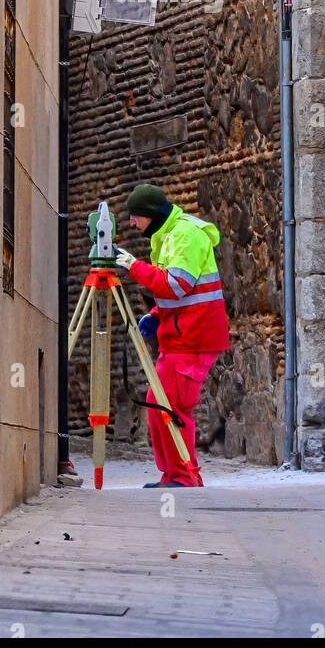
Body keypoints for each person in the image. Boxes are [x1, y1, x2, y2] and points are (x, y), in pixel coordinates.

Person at [113, 183, 230, 488]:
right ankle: (172, 474)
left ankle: (185, 476)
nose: (131, 223)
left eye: (135, 216)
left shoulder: (184, 235)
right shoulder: (166, 236)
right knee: (158, 403)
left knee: (173, 406)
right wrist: (155, 315)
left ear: (150, 214)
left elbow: (176, 284)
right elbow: (179, 295)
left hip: (194, 338)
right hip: (180, 335)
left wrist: (133, 267)